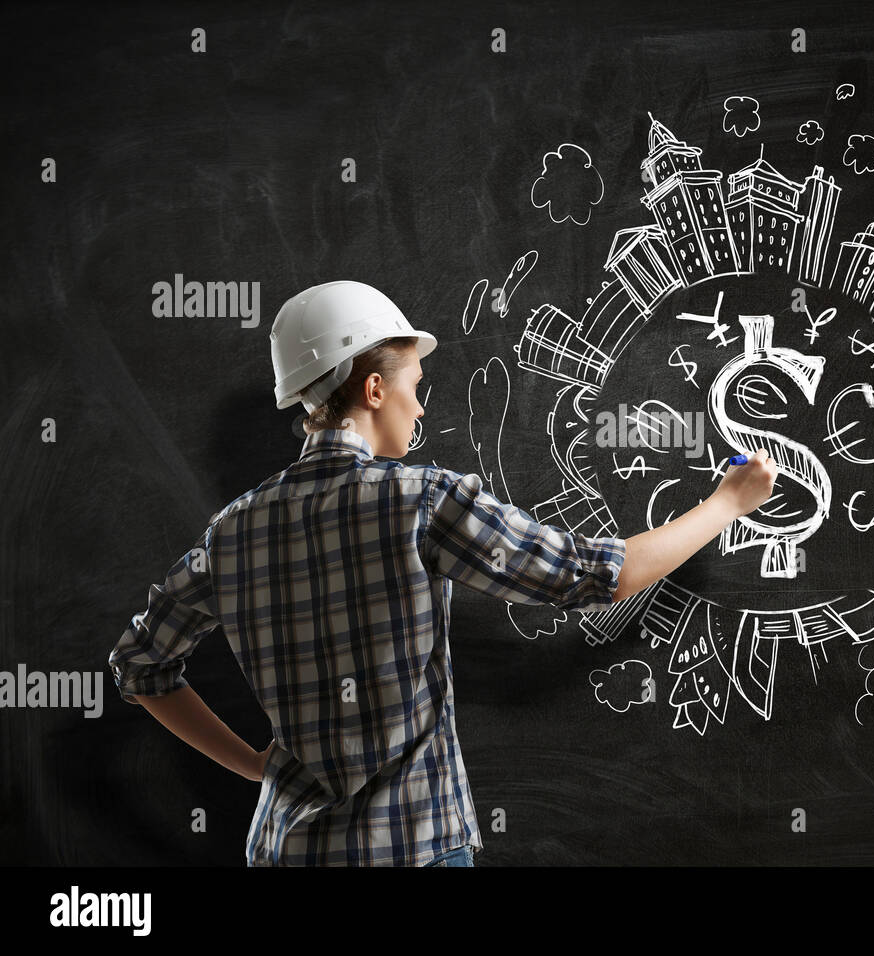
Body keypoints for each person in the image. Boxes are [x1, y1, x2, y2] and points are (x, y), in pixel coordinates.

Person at [107, 280, 778, 867]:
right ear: (373, 388)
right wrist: (727, 502)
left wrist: (259, 767)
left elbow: (140, 667)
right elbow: (601, 575)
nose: (421, 408)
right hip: (411, 850)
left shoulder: (233, 531)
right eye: (413, 387)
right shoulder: (422, 501)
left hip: (285, 846)